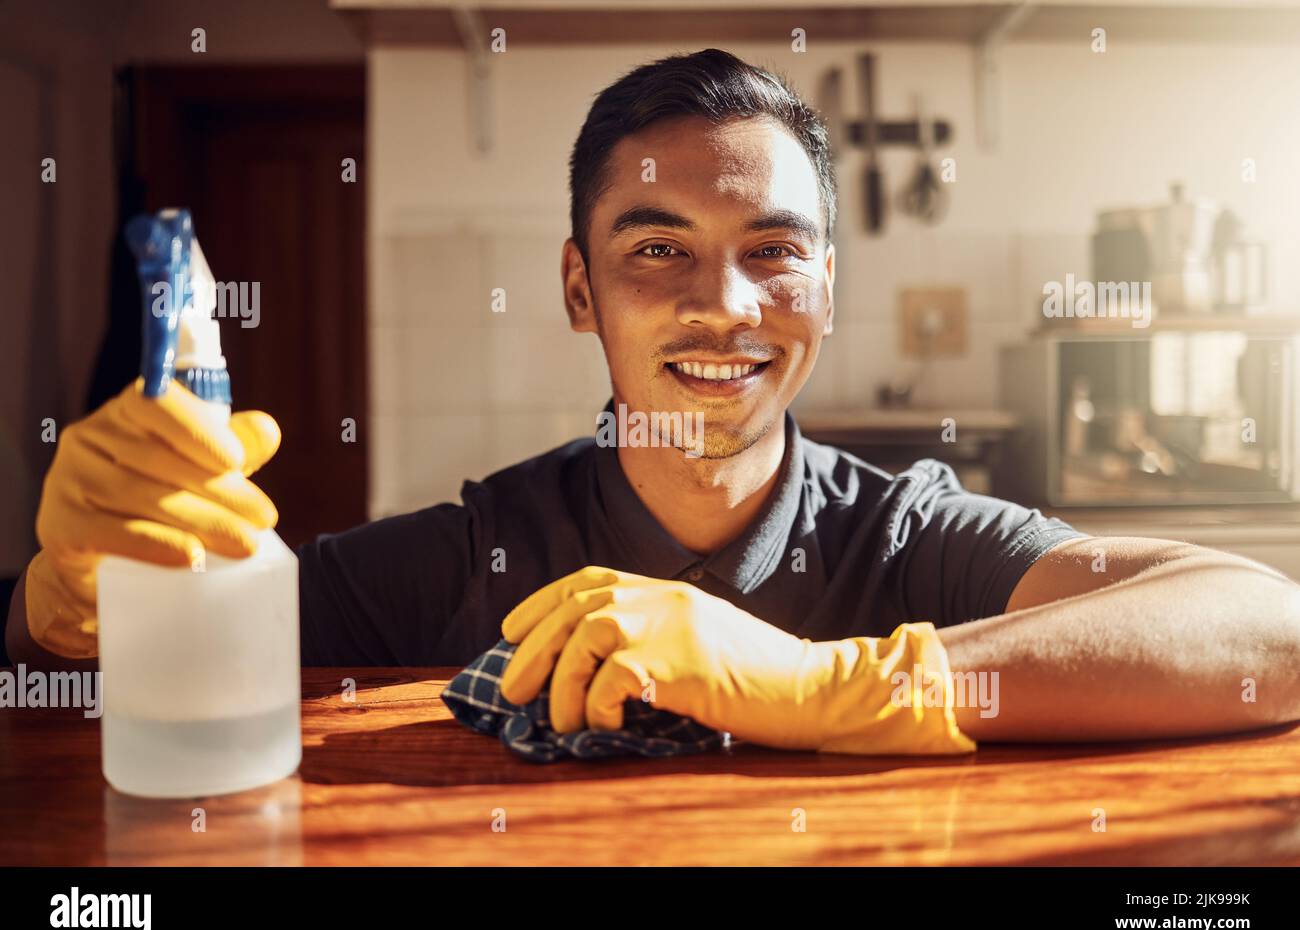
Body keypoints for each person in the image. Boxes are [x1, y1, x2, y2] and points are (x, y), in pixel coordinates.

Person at [9, 49, 1300, 754]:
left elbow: (1268, 631)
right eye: (656, 248)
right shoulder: (476, 549)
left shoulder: (914, 538)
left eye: (773, 250)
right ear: (580, 289)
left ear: (826, 288)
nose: (725, 304)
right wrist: (69, 608)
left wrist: (825, 683)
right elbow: (110, 674)